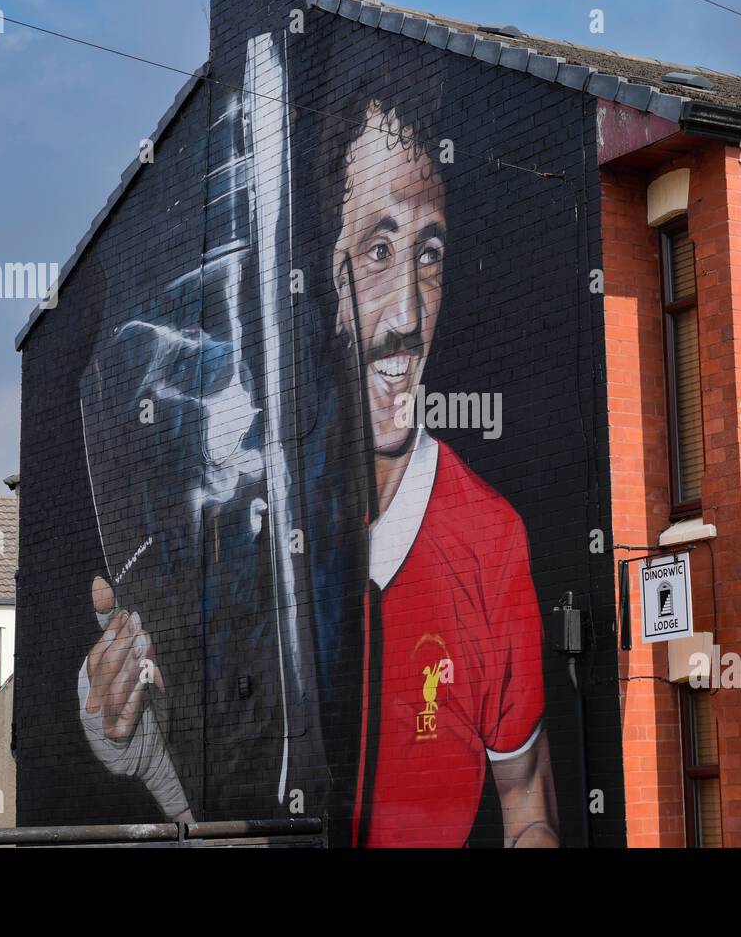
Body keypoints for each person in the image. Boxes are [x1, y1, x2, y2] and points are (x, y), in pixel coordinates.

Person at [80, 74, 558, 847]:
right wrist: (136, 747)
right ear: (320, 281)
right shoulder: (243, 529)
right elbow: (215, 790)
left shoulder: (491, 538)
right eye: (377, 250)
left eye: (427, 253)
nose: (408, 312)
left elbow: (527, 800)